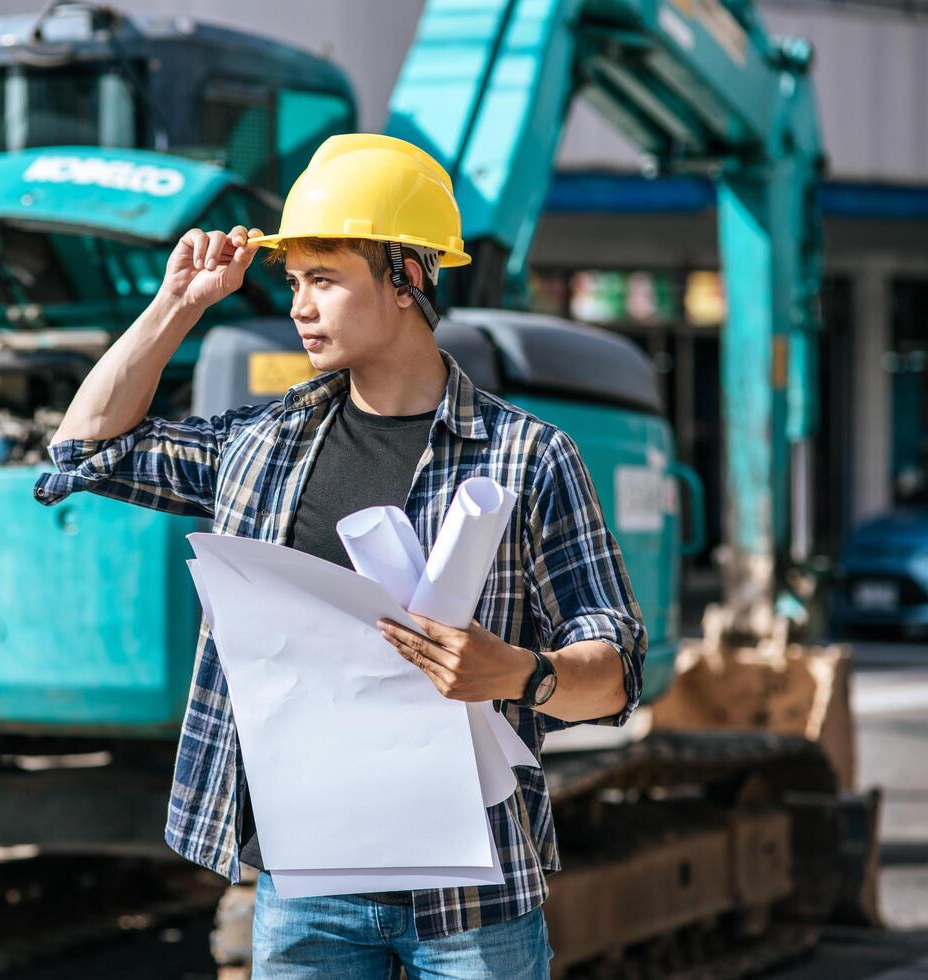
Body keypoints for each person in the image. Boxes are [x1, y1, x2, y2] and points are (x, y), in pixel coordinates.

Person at [33, 133, 646, 979]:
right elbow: (83, 451)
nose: (298, 307)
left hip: (470, 902)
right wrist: (177, 302)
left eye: (324, 279)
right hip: (306, 884)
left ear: (408, 278)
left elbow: (615, 667)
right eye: (293, 282)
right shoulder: (262, 446)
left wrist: (518, 674)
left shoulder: (527, 455)